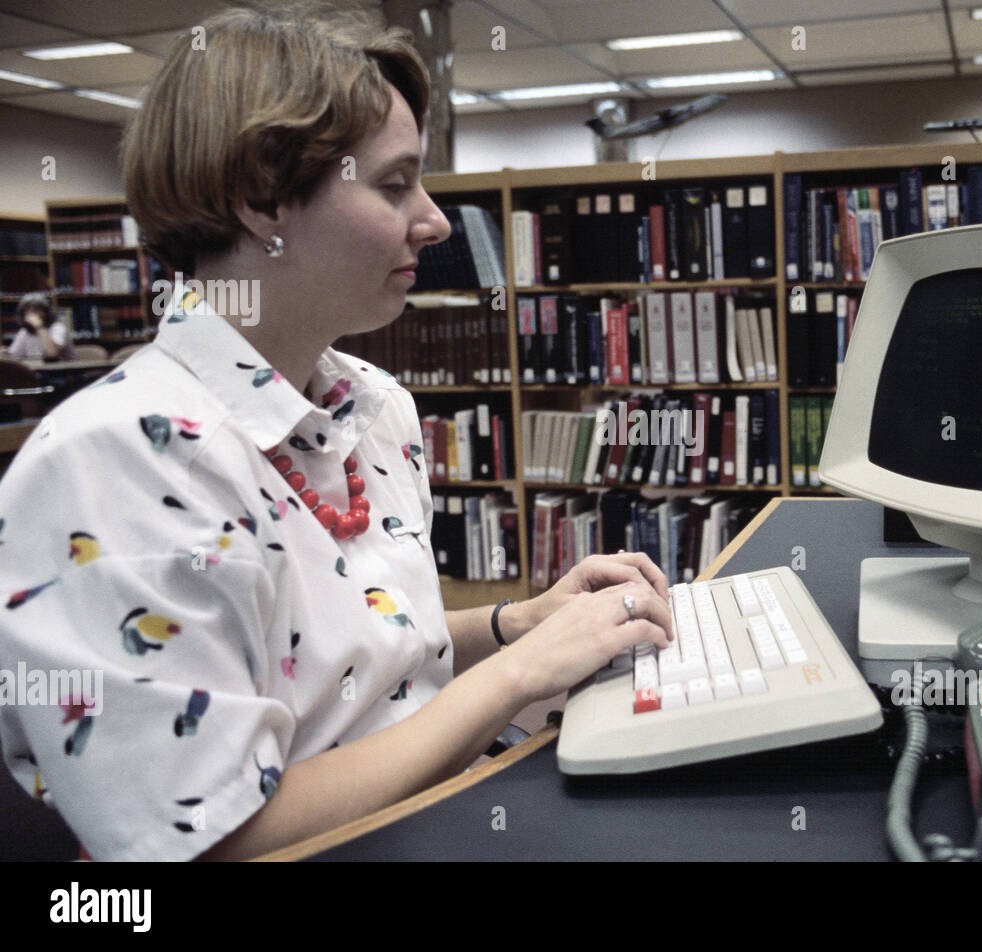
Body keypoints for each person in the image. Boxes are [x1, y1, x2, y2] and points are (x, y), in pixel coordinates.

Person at [0, 3, 672, 862]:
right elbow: (217, 835)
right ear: (260, 201)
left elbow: (361, 655)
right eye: (395, 185)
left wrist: (515, 623)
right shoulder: (107, 466)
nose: (433, 221)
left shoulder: (375, 405)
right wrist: (519, 674)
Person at [7, 292, 76, 361]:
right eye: (28, 310)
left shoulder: (58, 328)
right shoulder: (24, 332)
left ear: (46, 312)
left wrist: (39, 326)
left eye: (36, 309)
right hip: (36, 370)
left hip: (61, 370)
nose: (32, 313)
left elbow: (53, 353)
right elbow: (13, 356)